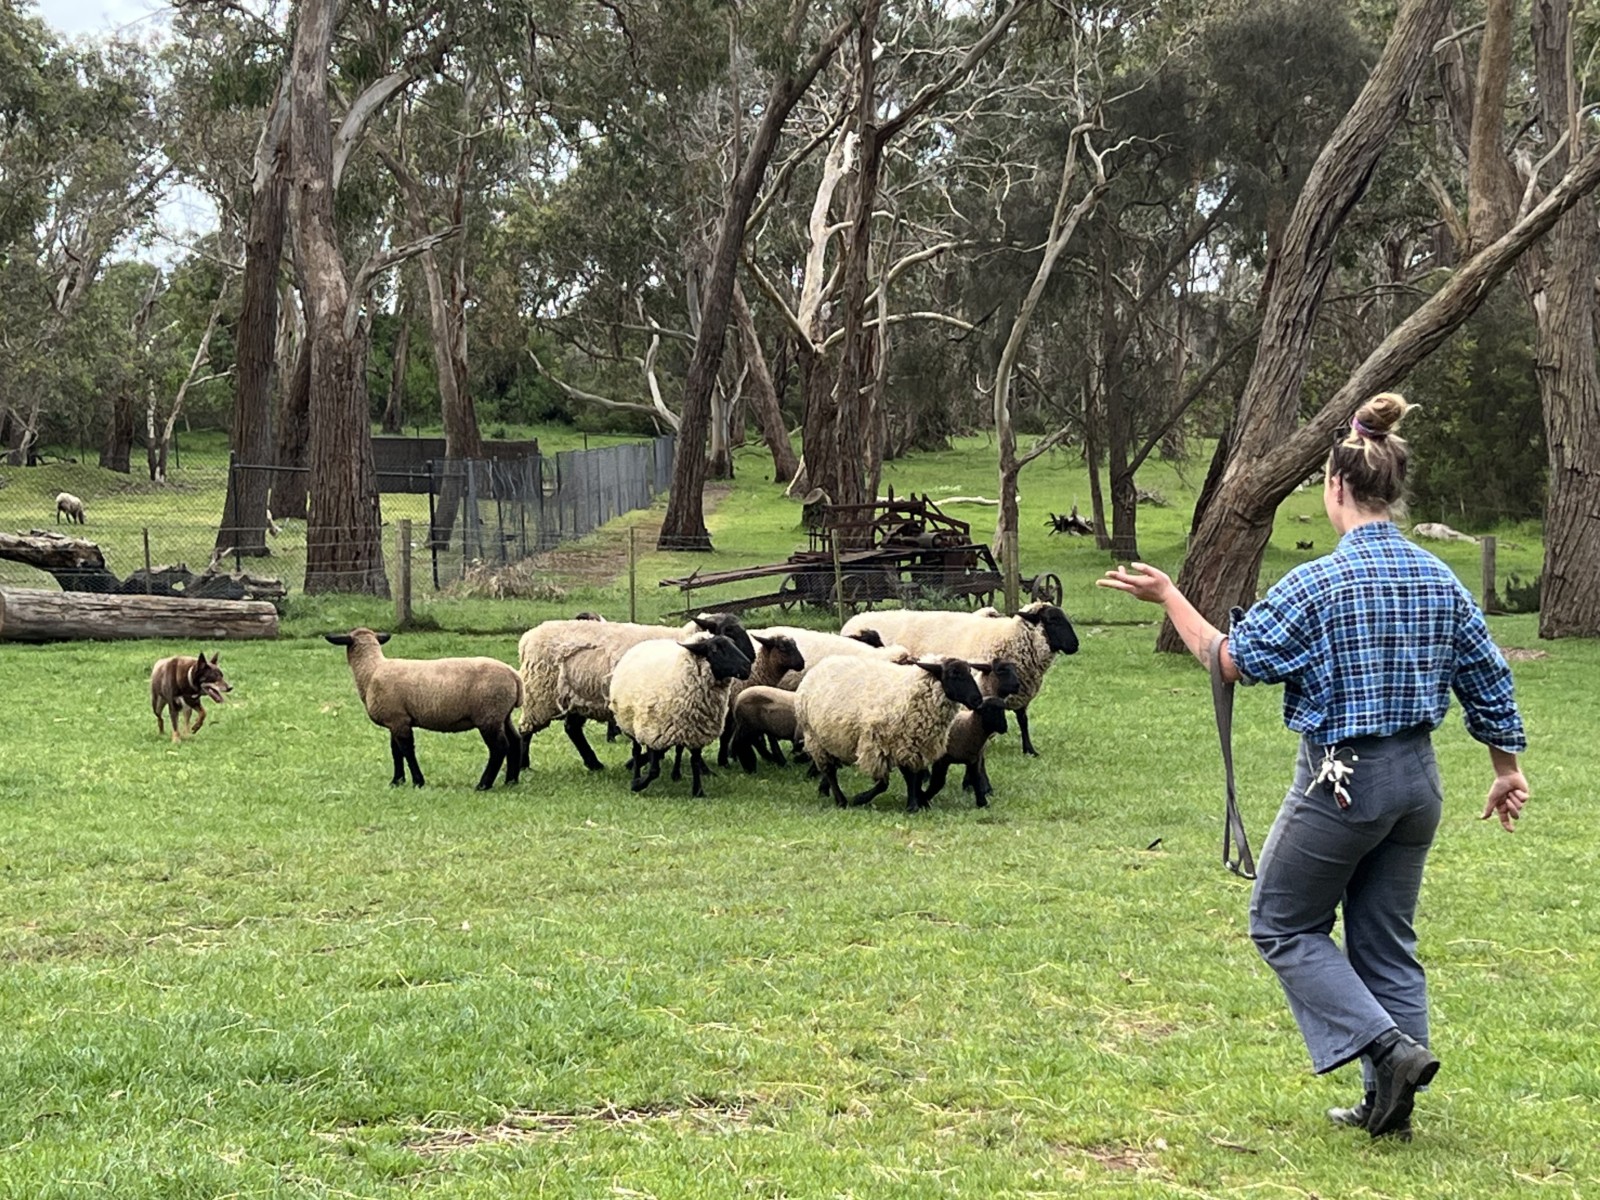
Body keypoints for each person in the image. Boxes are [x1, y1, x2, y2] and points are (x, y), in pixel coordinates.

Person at [1097, 392, 1529, 1141]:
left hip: (1344, 783)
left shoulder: (1317, 583)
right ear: (1392, 490)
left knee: (1281, 923)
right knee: (1385, 942)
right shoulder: (1440, 579)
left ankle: (1388, 1052)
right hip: (1418, 786)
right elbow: (1488, 677)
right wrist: (1505, 768)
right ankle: (1388, 1107)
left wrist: (1170, 594)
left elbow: (1228, 660)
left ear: (1335, 487)